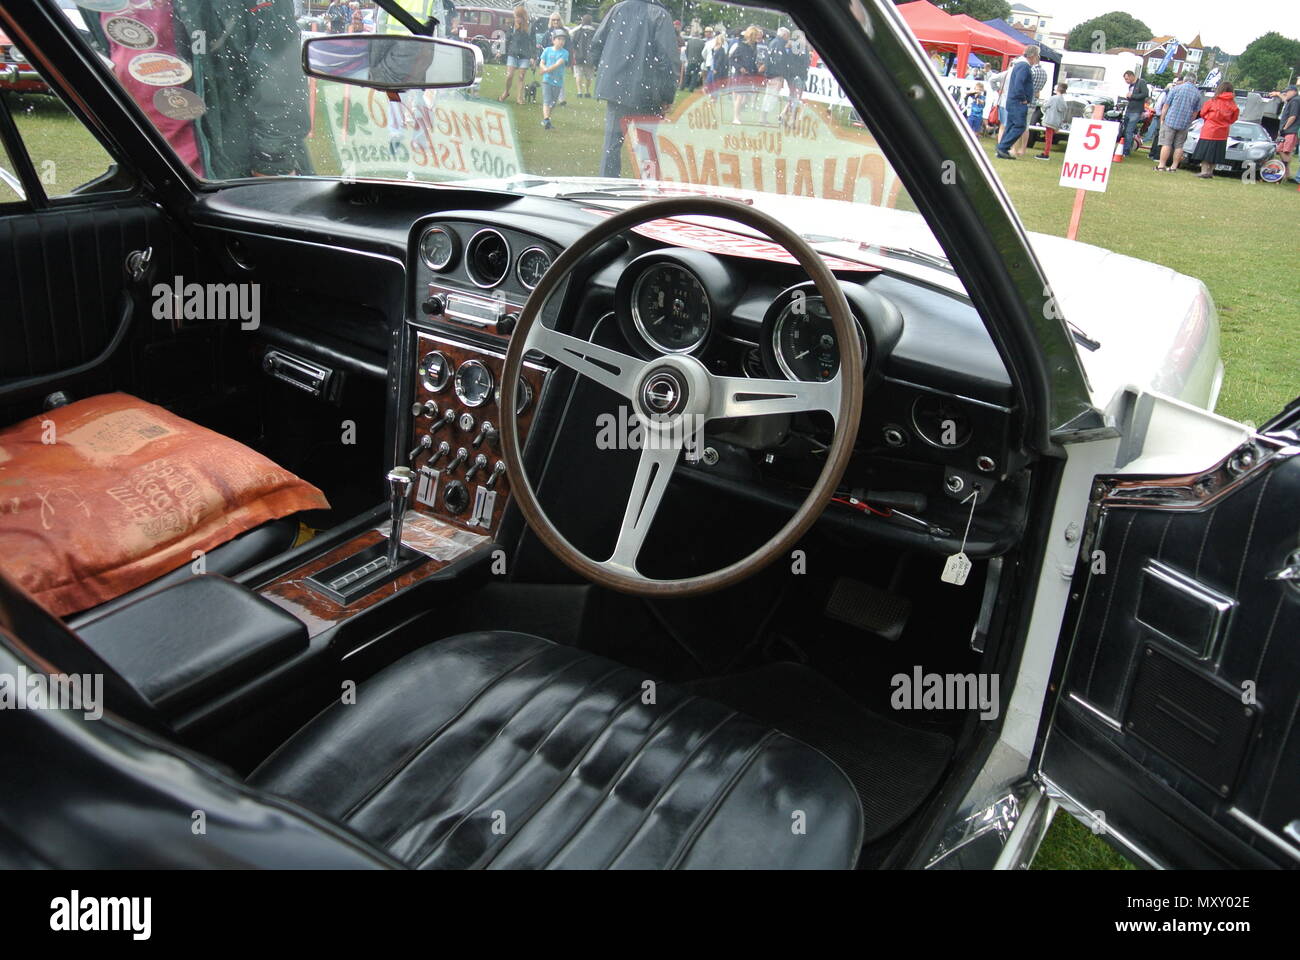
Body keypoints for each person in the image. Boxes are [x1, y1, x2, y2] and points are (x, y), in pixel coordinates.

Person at [84, 0, 311, 179]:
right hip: (150, 171)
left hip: (225, 176)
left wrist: (271, 165)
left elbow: (279, 76)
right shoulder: (98, 6)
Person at [590, 0, 679, 179]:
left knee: (612, 145)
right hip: (647, 92)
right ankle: (649, 188)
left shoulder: (618, 9)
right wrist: (667, 95)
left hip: (617, 89)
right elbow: (667, 60)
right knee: (646, 145)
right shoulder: (660, 15)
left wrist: (605, 72)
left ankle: (607, 185)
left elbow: (597, 43)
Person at [1189, 80, 1240, 179]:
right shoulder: (1233, 105)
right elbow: (1234, 119)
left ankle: (1204, 171)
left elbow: (1202, 113)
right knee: (1216, 154)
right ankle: (1211, 171)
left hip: (1209, 131)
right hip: (1222, 133)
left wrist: (1209, 118)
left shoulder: (1212, 101)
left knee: (1205, 152)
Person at [996, 45, 1038, 160]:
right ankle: (1003, 147)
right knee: (1020, 125)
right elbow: (1019, 83)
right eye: (1037, 56)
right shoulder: (1024, 67)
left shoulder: (1018, 65)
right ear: (1033, 56)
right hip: (1018, 101)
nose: (1037, 59)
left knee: (1010, 125)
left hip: (1012, 100)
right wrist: (1023, 98)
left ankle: (1001, 148)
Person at [1156, 74, 1203, 172]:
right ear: (1195, 81)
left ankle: (1161, 165)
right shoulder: (1198, 93)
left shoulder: (1176, 89)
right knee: (1179, 146)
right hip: (1185, 123)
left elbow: (1166, 105)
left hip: (1170, 120)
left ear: (1184, 80)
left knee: (1166, 144)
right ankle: (1174, 167)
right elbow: (1195, 112)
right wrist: (1189, 122)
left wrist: (1162, 118)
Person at [498, 6, 532, 106]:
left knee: (521, 77)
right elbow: (506, 40)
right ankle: (506, 92)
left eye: (519, 17)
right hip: (512, 54)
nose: (517, 19)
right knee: (509, 76)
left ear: (523, 17)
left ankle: (519, 98)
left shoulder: (529, 27)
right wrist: (501, 51)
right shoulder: (512, 26)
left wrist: (533, 56)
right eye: (516, 17)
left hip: (525, 56)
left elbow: (533, 42)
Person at [729, 25, 762, 124]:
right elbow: (731, 59)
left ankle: (737, 114)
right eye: (756, 35)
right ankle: (736, 117)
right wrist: (740, 68)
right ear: (752, 35)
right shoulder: (741, 45)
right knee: (740, 96)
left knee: (745, 97)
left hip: (749, 74)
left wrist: (756, 72)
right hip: (741, 74)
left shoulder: (754, 46)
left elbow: (752, 61)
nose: (758, 38)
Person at [538, 30, 569, 130]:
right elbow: (541, 62)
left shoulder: (565, 53)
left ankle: (547, 120)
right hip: (547, 80)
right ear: (553, 40)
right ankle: (546, 119)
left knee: (553, 103)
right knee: (547, 100)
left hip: (558, 81)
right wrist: (544, 68)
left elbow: (557, 64)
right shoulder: (547, 50)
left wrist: (546, 70)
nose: (561, 41)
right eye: (559, 39)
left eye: (563, 40)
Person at [779, 29, 809, 129]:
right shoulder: (797, 48)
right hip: (797, 76)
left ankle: (783, 115)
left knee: (793, 98)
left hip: (800, 76)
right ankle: (791, 120)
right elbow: (794, 63)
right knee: (795, 99)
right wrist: (796, 75)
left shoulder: (804, 48)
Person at [761, 26, 789, 124]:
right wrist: (781, 74)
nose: (788, 38)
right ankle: (763, 118)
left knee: (769, 96)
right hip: (775, 75)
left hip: (771, 74)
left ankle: (763, 117)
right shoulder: (779, 44)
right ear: (784, 35)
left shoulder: (773, 42)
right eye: (787, 36)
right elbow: (778, 61)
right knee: (771, 97)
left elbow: (769, 59)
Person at [1121, 69, 1149, 156]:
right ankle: (1126, 147)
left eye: (1127, 79)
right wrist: (1129, 97)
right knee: (1126, 130)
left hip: (1136, 111)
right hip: (1129, 109)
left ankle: (1126, 152)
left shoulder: (1141, 82)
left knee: (1129, 131)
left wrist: (1132, 96)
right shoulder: (1131, 86)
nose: (1126, 81)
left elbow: (1145, 94)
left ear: (1132, 76)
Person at [1035, 82, 1067, 157]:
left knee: (1048, 138)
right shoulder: (1063, 101)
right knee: (1049, 138)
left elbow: (1045, 107)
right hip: (1056, 122)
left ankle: (1046, 153)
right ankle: (1046, 152)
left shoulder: (1053, 98)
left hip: (1049, 120)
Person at [1274, 85, 1299, 182]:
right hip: (1287, 131)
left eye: (1287, 92)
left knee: (1285, 151)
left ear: (1293, 91)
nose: (1285, 94)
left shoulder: (1295, 101)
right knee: (1280, 149)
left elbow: (1293, 116)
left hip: (1290, 131)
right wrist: (1278, 94)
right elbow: (1285, 99)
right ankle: (1286, 174)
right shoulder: (1292, 100)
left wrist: (1285, 128)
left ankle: (1286, 173)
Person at [570, 14, 596, 98]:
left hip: (579, 56)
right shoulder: (594, 32)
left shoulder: (578, 31)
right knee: (589, 76)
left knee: (578, 75)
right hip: (590, 58)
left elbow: (573, 43)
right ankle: (587, 91)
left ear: (583, 21)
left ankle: (579, 92)